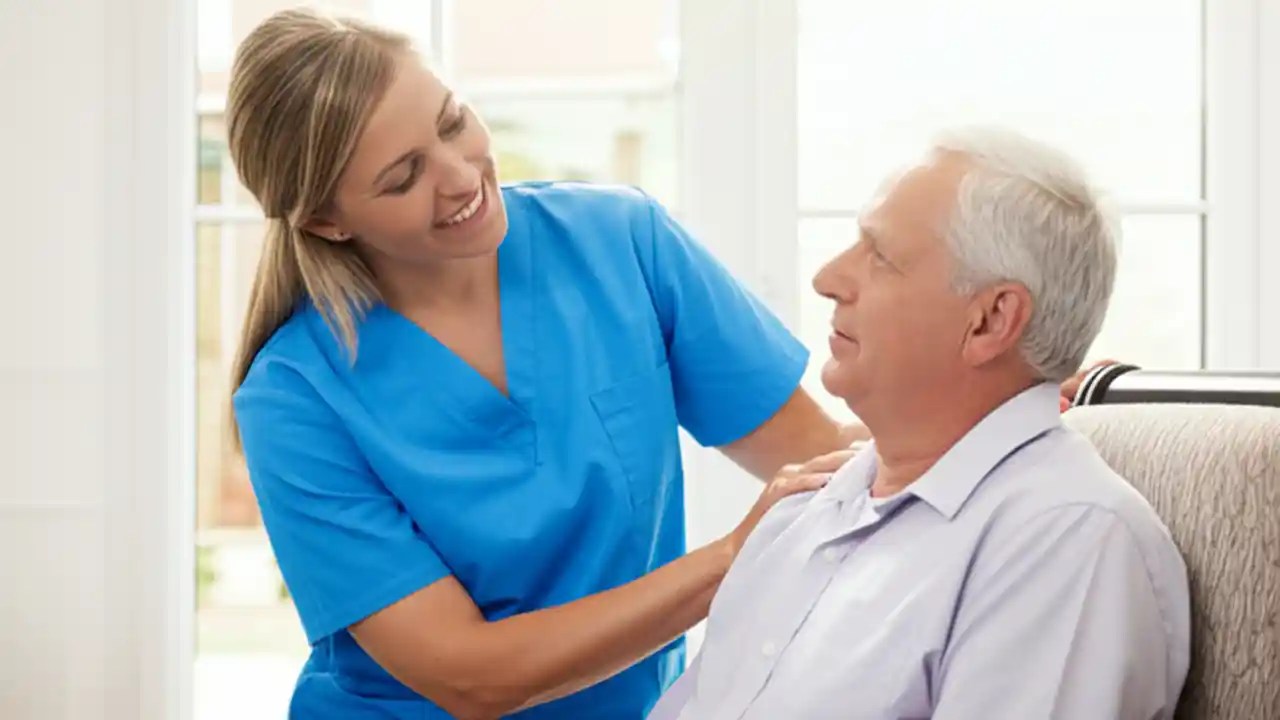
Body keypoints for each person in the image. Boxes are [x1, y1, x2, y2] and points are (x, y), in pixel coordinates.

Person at [226, 8, 1092, 720]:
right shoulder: (294, 397)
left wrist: (1012, 387)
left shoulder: (618, 243)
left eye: (454, 122)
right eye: (404, 176)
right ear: (329, 221)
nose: (460, 176)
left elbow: (823, 455)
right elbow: (467, 677)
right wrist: (735, 556)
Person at [649, 128, 1191, 720]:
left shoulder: (1067, 539)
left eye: (880, 257)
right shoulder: (804, 510)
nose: (828, 277)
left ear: (989, 320)